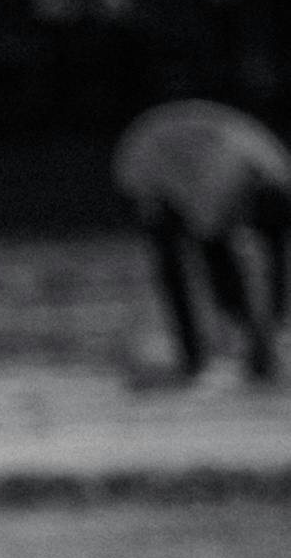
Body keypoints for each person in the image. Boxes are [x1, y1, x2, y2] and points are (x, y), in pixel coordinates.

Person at [112, 98, 290, 385]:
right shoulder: (226, 173)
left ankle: (252, 343)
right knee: (179, 265)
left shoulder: (267, 164)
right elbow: (209, 234)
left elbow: (269, 249)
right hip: (151, 166)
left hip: (184, 157)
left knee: (233, 254)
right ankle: (196, 354)